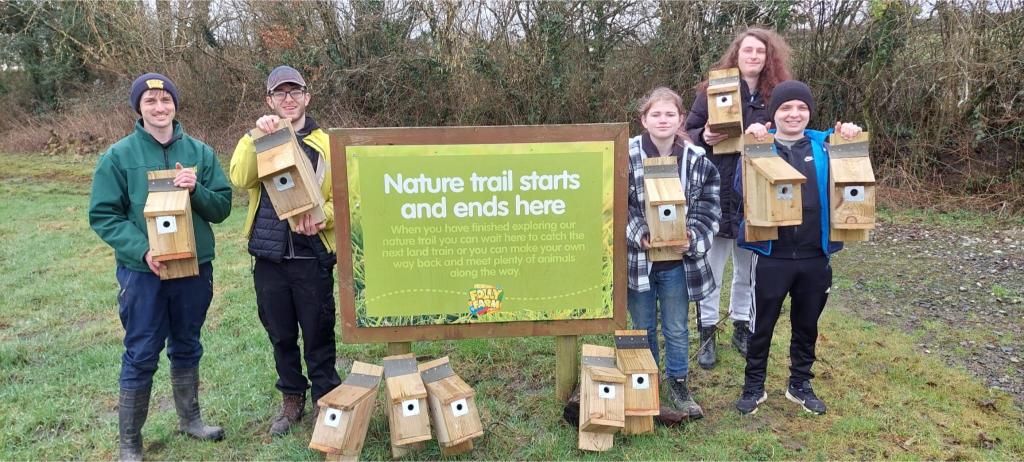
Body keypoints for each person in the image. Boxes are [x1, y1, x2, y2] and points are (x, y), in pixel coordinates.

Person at [89, 73, 231, 461]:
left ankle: (191, 420)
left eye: (165, 100)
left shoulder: (201, 153)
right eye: (150, 101)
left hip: (193, 269)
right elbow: (103, 215)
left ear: (175, 105)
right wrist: (142, 250)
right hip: (143, 273)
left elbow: (222, 208)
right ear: (139, 107)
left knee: (187, 344)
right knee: (142, 351)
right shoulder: (118, 157)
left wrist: (195, 189)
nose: (159, 107)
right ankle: (129, 443)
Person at [733, 80, 862, 415]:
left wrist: (849, 133)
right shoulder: (758, 145)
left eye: (801, 108)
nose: (794, 114)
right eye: (786, 108)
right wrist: (751, 144)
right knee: (761, 326)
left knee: (807, 326)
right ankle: (754, 385)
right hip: (771, 255)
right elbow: (738, 188)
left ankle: (799, 384)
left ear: (810, 112)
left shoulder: (824, 146)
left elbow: (854, 162)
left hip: (815, 255)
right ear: (774, 114)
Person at [229, 65, 340, 435]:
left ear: (307, 97)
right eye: (280, 94)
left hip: (312, 255)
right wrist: (253, 136)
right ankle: (292, 398)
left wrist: (324, 216)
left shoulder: (326, 143)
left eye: (295, 92)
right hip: (270, 255)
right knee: (280, 334)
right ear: (269, 101)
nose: (288, 99)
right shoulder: (259, 139)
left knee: (319, 332)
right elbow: (240, 178)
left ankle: (327, 399)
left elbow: (349, 198)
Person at [683, 27, 794, 369]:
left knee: (749, 269)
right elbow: (687, 133)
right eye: (748, 50)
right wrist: (704, 134)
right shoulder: (712, 90)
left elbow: (792, 134)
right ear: (737, 53)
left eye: (760, 52)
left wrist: (769, 134)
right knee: (712, 269)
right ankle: (706, 332)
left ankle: (742, 326)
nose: (753, 56)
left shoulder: (776, 94)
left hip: (755, 194)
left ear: (768, 57)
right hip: (715, 190)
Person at [626, 87, 721, 420]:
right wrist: (640, 233)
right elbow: (616, 204)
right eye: (656, 114)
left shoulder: (696, 159)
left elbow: (709, 206)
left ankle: (678, 383)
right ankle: (646, 381)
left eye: (670, 114)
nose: (663, 120)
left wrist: (691, 237)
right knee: (643, 325)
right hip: (640, 262)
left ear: (681, 119)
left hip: (679, 264)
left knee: (677, 327)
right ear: (644, 119)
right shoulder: (627, 155)